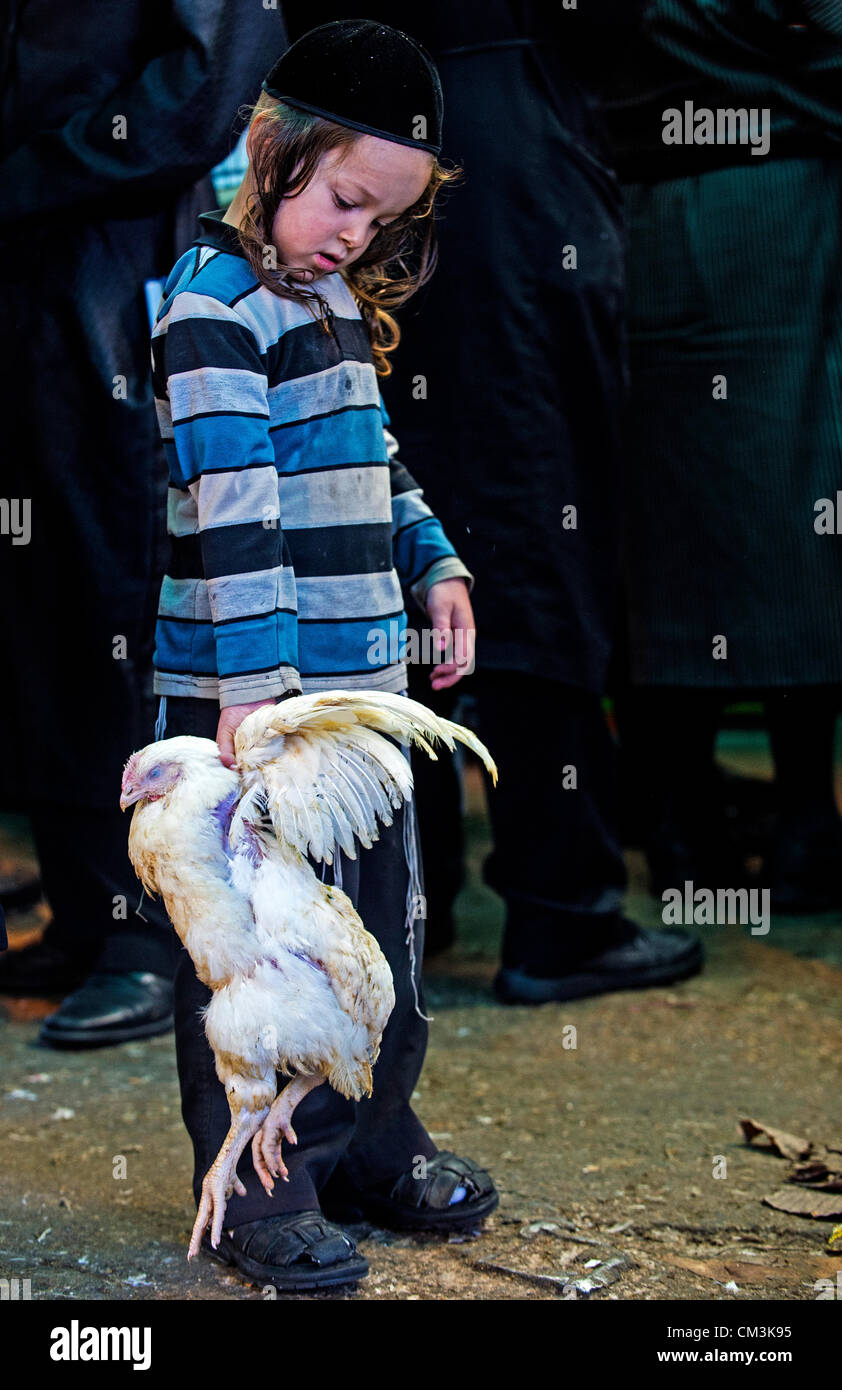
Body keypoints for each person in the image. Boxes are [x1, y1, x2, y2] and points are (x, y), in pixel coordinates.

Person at [151, 20, 498, 1293]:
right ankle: (263, 1186)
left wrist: (438, 563)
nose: (355, 236)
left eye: (381, 222)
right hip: (260, 704)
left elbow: (376, 463)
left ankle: (368, 1146)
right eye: (345, 200)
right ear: (271, 147)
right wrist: (257, 702)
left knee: (380, 949)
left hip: (361, 711)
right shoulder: (211, 300)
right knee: (264, 967)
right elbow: (234, 507)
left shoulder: (332, 297)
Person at [280, 0, 703, 1001]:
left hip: (358, 154)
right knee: (532, 507)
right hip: (511, 164)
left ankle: (403, 897)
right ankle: (558, 912)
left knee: (390, 503)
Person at [0, 0, 285, 1044]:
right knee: (41, 602)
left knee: (116, 589)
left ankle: (149, 935)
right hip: (32, 268)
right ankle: (87, 910)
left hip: (114, 264)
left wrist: (28, 174)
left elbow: (209, 85)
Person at [598, 0, 842, 911]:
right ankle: (806, 825)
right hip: (770, 195)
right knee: (792, 501)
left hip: (633, 194)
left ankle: (683, 825)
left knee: (672, 517)